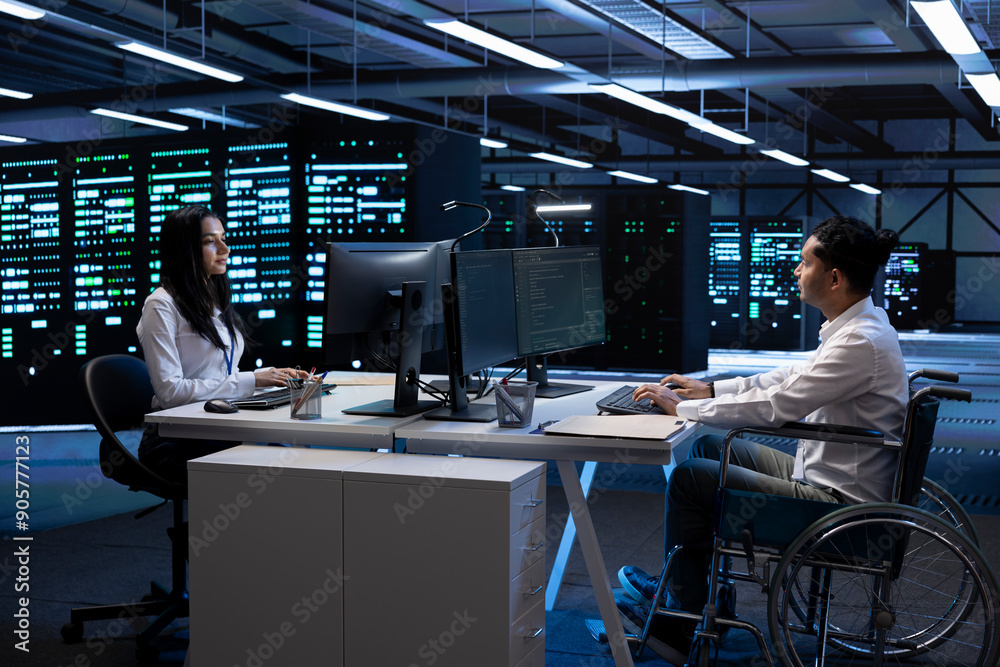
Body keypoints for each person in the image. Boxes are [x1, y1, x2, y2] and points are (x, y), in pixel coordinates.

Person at [615, 216, 907, 664]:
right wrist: (710, 391)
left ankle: (680, 617)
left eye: (804, 263)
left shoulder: (860, 343)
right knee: (710, 449)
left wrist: (684, 408)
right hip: (824, 474)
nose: (795, 271)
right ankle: (697, 591)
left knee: (693, 477)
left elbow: (777, 406)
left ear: (833, 277)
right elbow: (785, 378)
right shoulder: (856, 328)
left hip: (839, 507)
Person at [137, 205, 307, 484]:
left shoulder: (214, 299)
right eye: (209, 241)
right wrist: (253, 380)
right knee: (277, 468)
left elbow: (221, 375)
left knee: (294, 457)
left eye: (223, 239)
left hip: (218, 425)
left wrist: (273, 381)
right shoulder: (161, 305)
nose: (224, 249)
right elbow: (170, 393)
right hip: (174, 439)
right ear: (185, 249)